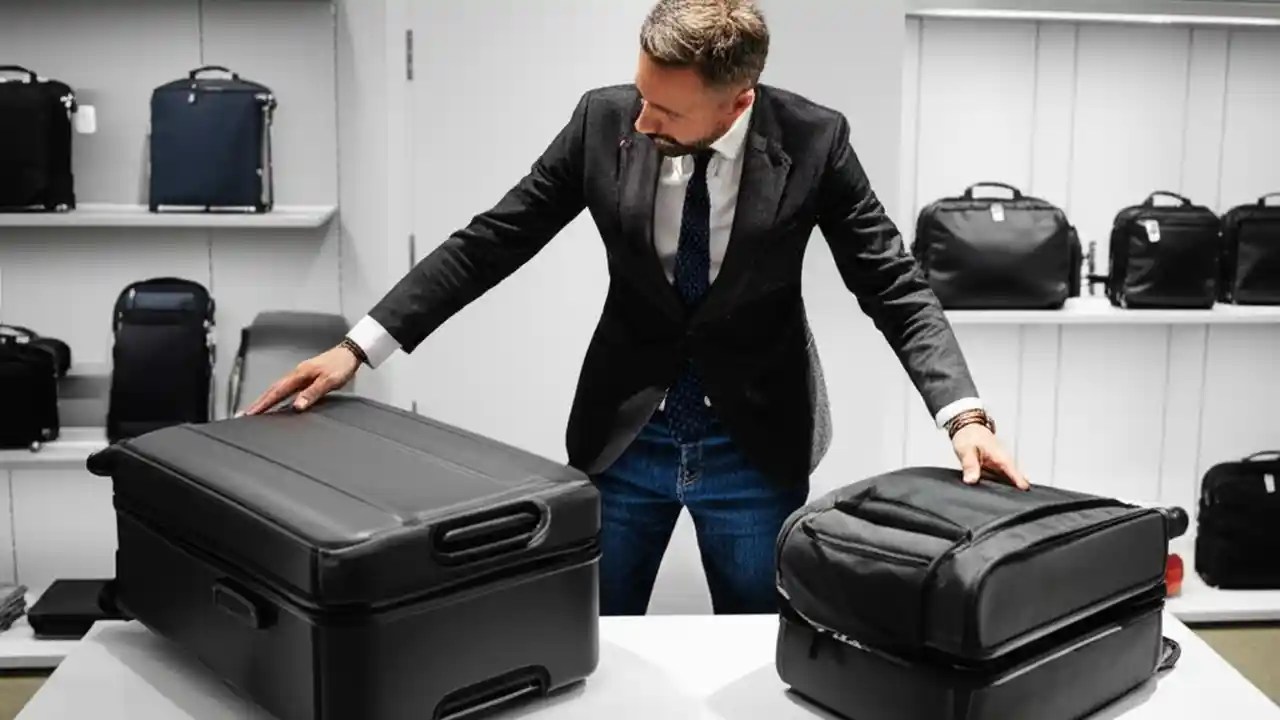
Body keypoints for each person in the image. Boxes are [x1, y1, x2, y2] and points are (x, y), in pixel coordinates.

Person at [245, 0, 1028, 617]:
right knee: (589, 634)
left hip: (754, 447)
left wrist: (965, 417)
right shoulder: (603, 119)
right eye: (642, 95)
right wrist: (359, 346)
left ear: (737, 103)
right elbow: (494, 239)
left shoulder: (815, 141)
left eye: (667, 112)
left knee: (760, 646)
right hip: (622, 443)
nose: (642, 121)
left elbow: (891, 281)